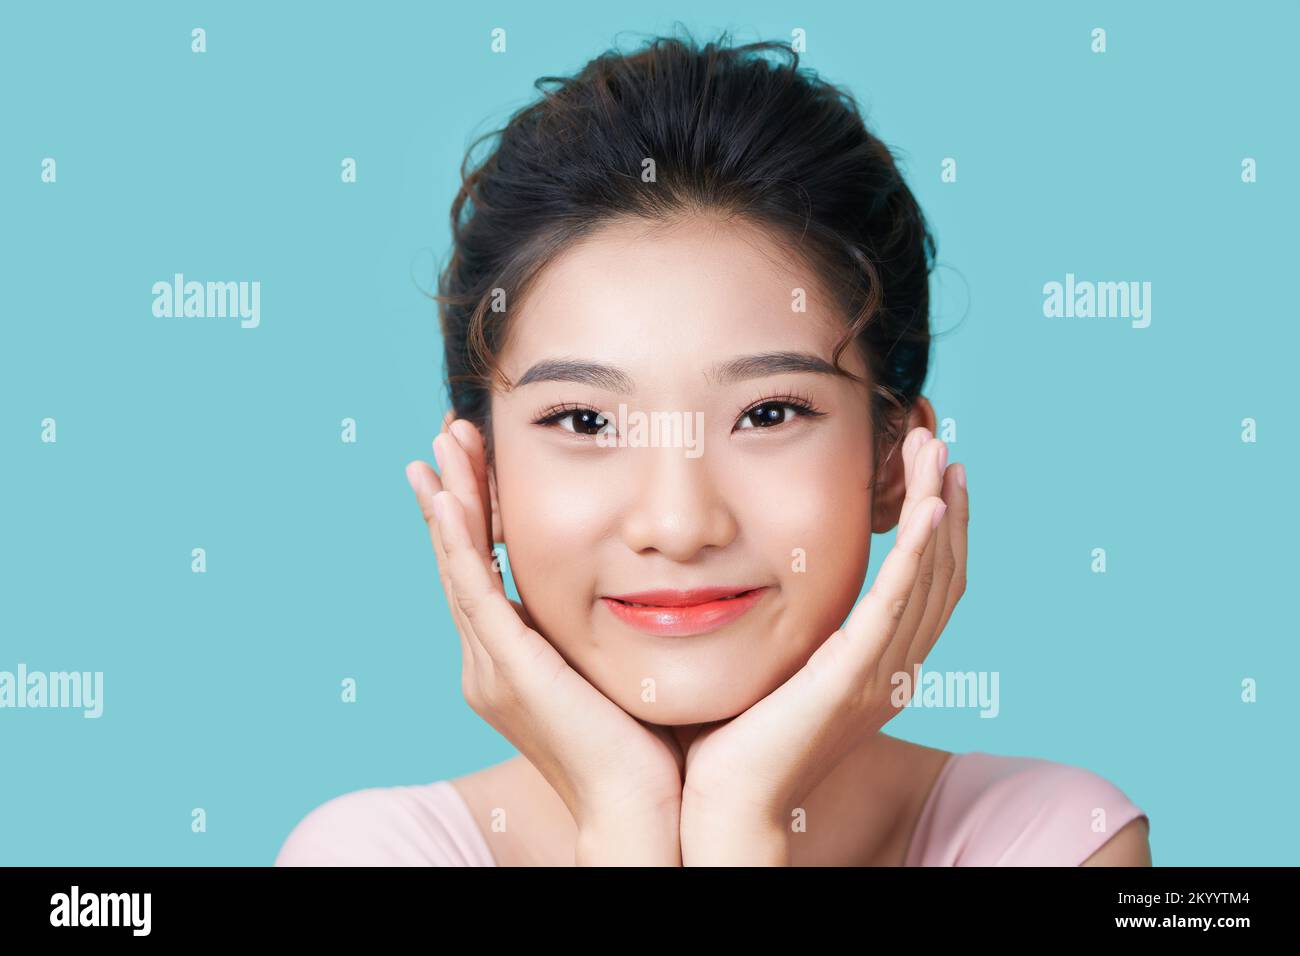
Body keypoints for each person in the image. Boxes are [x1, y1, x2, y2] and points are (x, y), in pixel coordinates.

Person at [277, 31, 1149, 866]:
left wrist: (738, 823)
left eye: (767, 413)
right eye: (585, 422)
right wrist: (626, 819)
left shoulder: (1053, 842)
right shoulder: (370, 856)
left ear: (893, 459)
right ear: (484, 479)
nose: (679, 524)